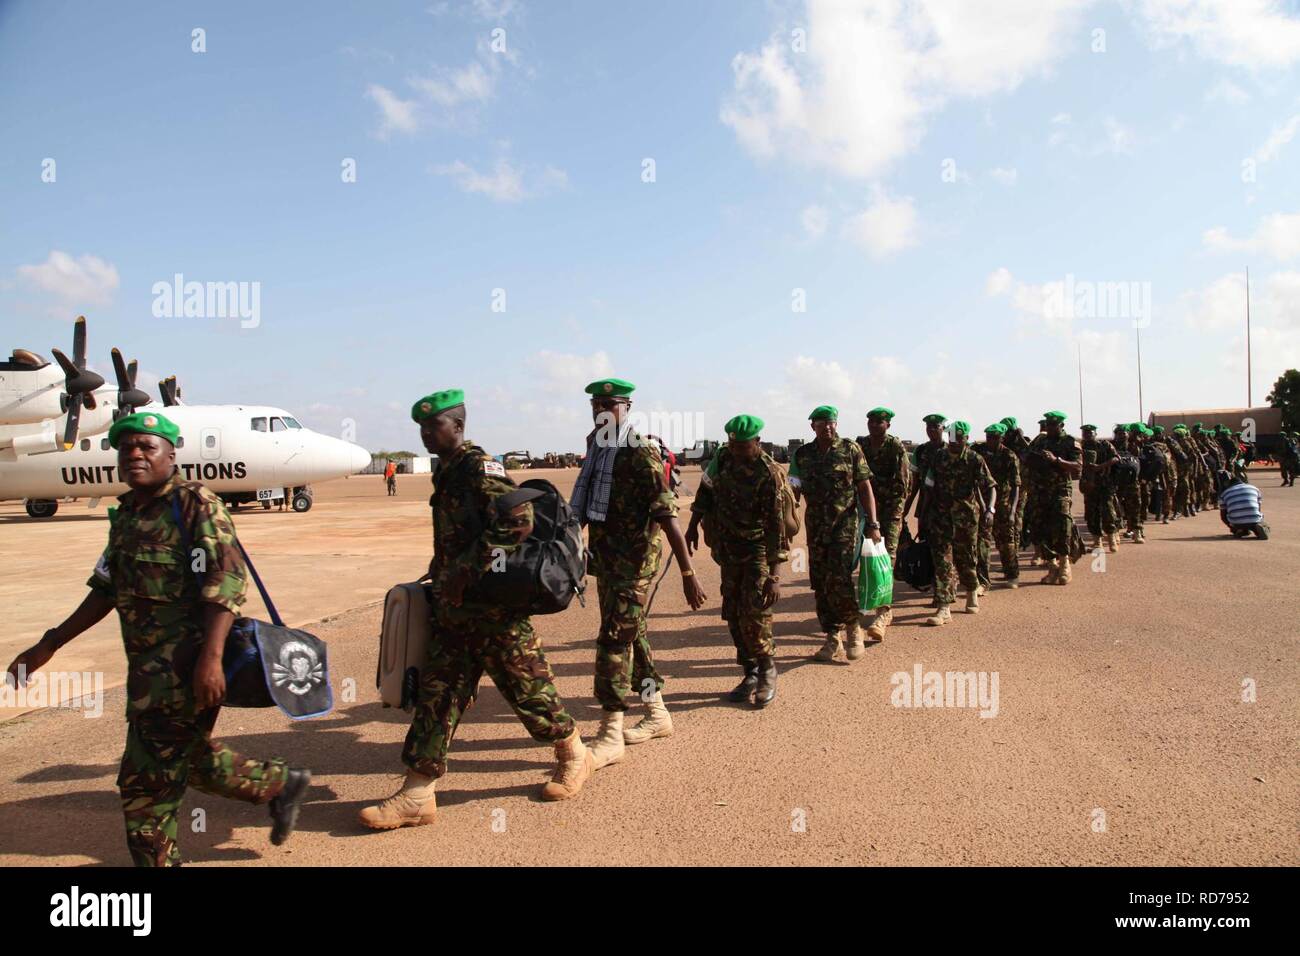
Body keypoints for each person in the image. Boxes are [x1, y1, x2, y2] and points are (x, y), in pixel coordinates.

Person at [5, 411, 310, 866]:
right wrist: (50, 643)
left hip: (188, 669)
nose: (134, 455)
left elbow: (226, 584)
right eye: (126, 448)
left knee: (145, 785)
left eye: (147, 447)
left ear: (171, 454)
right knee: (189, 761)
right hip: (148, 674)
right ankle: (279, 785)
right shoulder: (128, 513)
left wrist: (209, 660)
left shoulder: (193, 505)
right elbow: (105, 589)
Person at [359, 390, 591, 829]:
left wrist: (467, 567)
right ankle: (417, 792)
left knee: (529, 694)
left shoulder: (478, 468)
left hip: (494, 612)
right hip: (455, 611)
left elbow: (518, 518)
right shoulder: (445, 473)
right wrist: (442, 569)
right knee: (438, 696)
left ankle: (574, 752)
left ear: (458, 427)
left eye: (435, 426)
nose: (427, 435)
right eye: (423, 429)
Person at [571, 379, 706, 771]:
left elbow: (666, 514)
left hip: (635, 565)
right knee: (635, 637)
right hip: (608, 560)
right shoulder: (596, 446)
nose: (601, 410)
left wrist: (687, 571)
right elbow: (585, 499)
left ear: (626, 408)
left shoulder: (638, 451)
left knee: (614, 640)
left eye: (609, 404)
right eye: (596, 404)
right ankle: (657, 712)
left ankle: (610, 733)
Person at [687, 415, 789, 707]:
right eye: (733, 445)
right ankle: (750, 672)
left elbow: (776, 529)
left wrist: (775, 575)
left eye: (742, 446)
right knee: (732, 611)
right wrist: (693, 525)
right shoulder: (722, 458)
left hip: (757, 549)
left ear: (757, 442)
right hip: (728, 548)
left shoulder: (769, 474)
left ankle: (768, 668)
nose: (736, 451)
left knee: (755, 612)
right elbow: (705, 492)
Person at [789, 405, 880, 662]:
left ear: (836, 424)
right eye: (821, 423)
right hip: (816, 527)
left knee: (839, 577)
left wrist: (873, 523)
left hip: (845, 525)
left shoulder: (851, 450)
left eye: (830, 422)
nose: (826, 427)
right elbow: (793, 489)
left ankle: (853, 629)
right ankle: (832, 637)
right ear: (813, 427)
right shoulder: (803, 455)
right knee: (820, 581)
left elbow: (864, 487)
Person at [923, 421, 995, 625]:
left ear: (966, 439)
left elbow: (990, 486)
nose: (954, 442)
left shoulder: (974, 459)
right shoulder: (938, 457)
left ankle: (972, 589)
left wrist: (990, 509)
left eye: (959, 438)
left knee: (966, 559)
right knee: (942, 561)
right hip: (941, 517)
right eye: (952, 438)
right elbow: (928, 486)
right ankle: (944, 607)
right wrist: (923, 513)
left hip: (966, 518)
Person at [857, 406, 910, 640]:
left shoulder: (896, 447)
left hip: (889, 512)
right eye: (871, 421)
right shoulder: (862, 445)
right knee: (865, 558)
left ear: (888, 425)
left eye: (880, 422)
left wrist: (894, 516)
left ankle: (884, 613)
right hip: (866, 511)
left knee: (886, 559)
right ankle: (866, 603)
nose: (874, 425)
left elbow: (903, 485)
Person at [1025, 411, 1081, 584]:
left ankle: (1065, 564)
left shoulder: (1070, 442)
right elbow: (1026, 456)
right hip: (1040, 491)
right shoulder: (1040, 441)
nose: (1049, 428)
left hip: (1060, 490)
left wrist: (1056, 460)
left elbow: (1078, 466)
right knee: (1040, 527)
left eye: (1053, 425)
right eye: (1047, 424)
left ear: (1061, 426)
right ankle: (1052, 566)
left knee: (1062, 526)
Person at [903, 413, 949, 606]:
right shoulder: (921, 452)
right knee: (927, 548)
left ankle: (944, 593)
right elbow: (914, 484)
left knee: (945, 551)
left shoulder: (951, 450)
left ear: (943, 429)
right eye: (928, 427)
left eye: (935, 427)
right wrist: (906, 508)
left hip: (948, 509)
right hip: (926, 508)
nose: (931, 430)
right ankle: (935, 586)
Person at [973, 423, 1022, 587]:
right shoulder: (979, 452)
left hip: (1004, 504)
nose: (990, 440)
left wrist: (1013, 511)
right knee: (982, 543)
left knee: (1006, 543)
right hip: (982, 503)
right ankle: (983, 579)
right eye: (988, 437)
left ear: (1001, 438)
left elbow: (1016, 485)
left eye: (994, 437)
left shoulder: (1009, 456)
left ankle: (1012, 575)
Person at [1080, 424, 1120, 552]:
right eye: (1085, 433)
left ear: (1095, 434)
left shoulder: (1104, 445)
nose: (1087, 435)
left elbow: (1116, 458)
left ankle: (1111, 539)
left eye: (1090, 433)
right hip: (1089, 485)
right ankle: (1097, 541)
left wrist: (1100, 466)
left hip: (1105, 484)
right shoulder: (1080, 447)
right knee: (1091, 514)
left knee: (1108, 512)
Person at [1218, 471, 1269, 539]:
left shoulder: (1224, 493)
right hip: (1254, 518)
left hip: (1236, 522)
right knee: (1257, 519)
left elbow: (1223, 515)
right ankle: (1258, 528)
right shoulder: (1254, 488)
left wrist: (1231, 526)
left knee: (1236, 518)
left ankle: (1240, 529)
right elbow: (1259, 508)